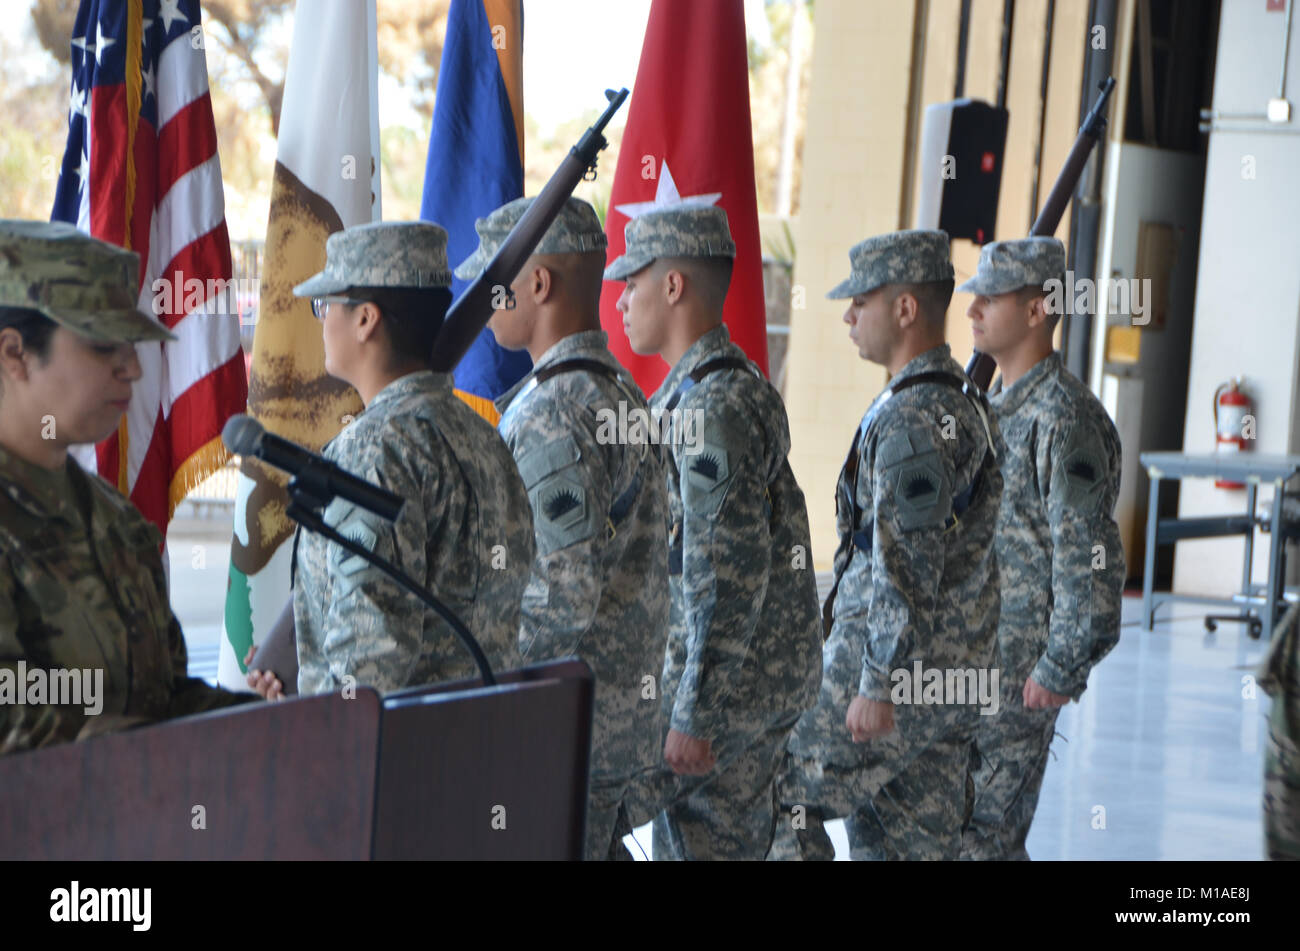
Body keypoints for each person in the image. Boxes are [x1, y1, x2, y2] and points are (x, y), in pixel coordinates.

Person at [772, 229, 1003, 860]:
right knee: (908, 844)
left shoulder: (911, 419)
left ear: (905, 309)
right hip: (948, 675)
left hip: (895, 675)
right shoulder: (957, 402)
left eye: (862, 301)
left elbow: (907, 562)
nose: (848, 315)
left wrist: (879, 683)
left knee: (774, 790)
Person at [455, 195, 671, 861]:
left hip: (561, 732)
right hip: (607, 723)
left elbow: (560, 590)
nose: (485, 300)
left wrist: (481, 696)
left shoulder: (554, 410)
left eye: (496, 282)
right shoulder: (617, 394)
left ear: (538, 283)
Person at [605, 205, 822, 860]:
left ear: (673, 285)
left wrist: (695, 712)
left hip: (726, 700)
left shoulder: (714, 406)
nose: (619, 302)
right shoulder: (702, 390)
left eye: (631, 281)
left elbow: (726, 569)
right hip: (723, 688)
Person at [0, 220, 252, 754]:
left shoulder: (115, 519)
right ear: (14, 353)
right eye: (102, 347)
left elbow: (164, 699)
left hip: (144, 826)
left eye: (131, 346)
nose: (133, 370)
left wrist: (283, 722)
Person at [252, 221, 534, 698]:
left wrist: (312, 723)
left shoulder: (372, 449)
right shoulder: (485, 437)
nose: (321, 321)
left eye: (326, 305)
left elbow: (370, 655)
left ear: (366, 319)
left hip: (392, 755)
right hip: (481, 739)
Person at [959, 237, 1124, 859]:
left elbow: (1087, 559)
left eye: (991, 297)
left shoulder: (1065, 420)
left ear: (1036, 311)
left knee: (982, 838)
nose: (973, 310)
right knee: (967, 833)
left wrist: (1059, 666)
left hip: (1019, 670)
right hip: (972, 661)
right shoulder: (990, 409)